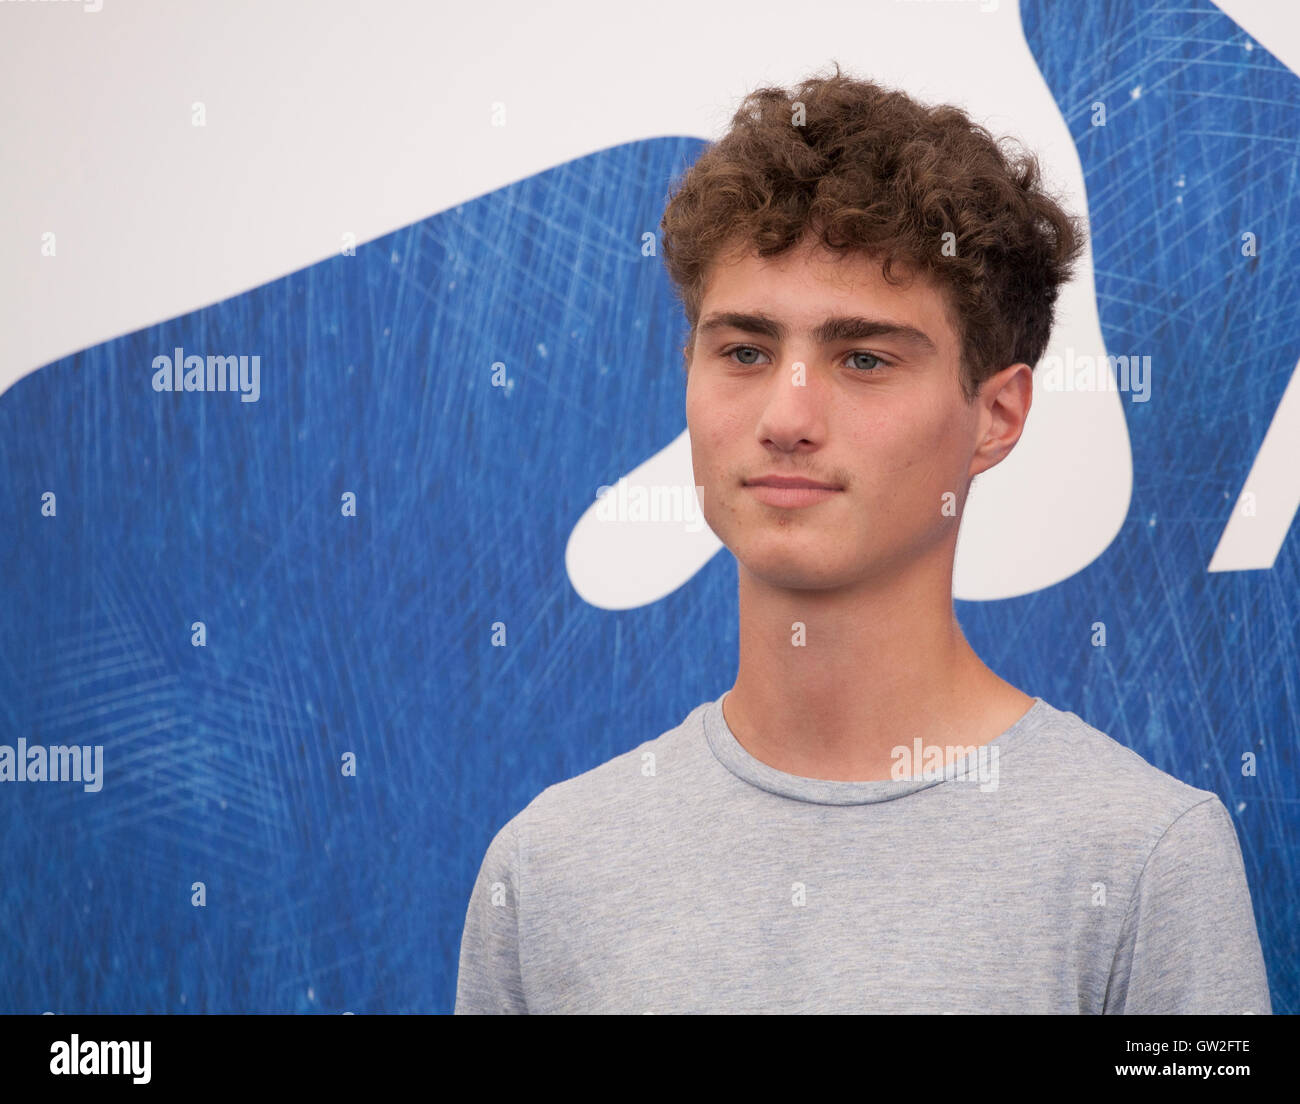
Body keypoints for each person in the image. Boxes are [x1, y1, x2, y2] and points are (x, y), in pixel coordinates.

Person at [454, 63, 1272, 1014]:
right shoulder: (548, 872)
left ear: (997, 415)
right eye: (745, 351)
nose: (786, 418)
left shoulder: (1143, 863)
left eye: (865, 359)